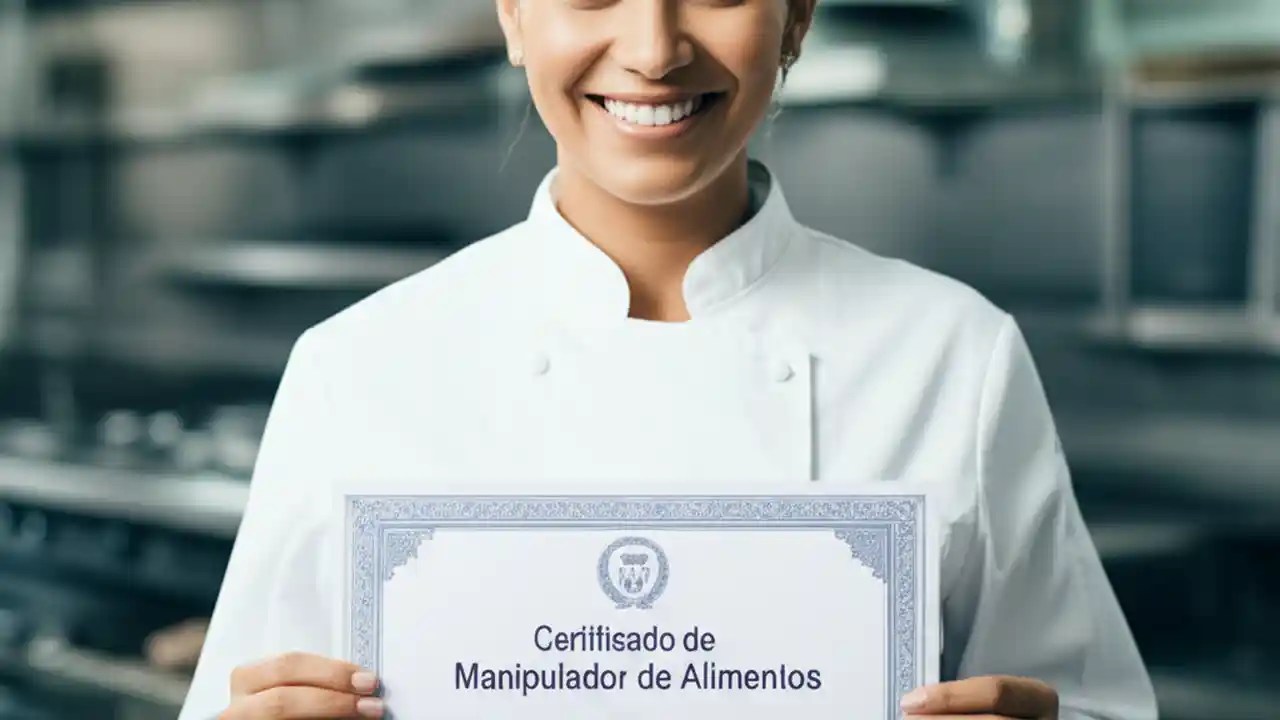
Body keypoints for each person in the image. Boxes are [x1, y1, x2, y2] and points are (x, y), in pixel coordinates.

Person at [180, 0, 1158, 718]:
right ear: (514, 16)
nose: (653, 47)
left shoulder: (952, 354)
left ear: (796, 19)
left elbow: (1092, 705)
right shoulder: (354, 368)